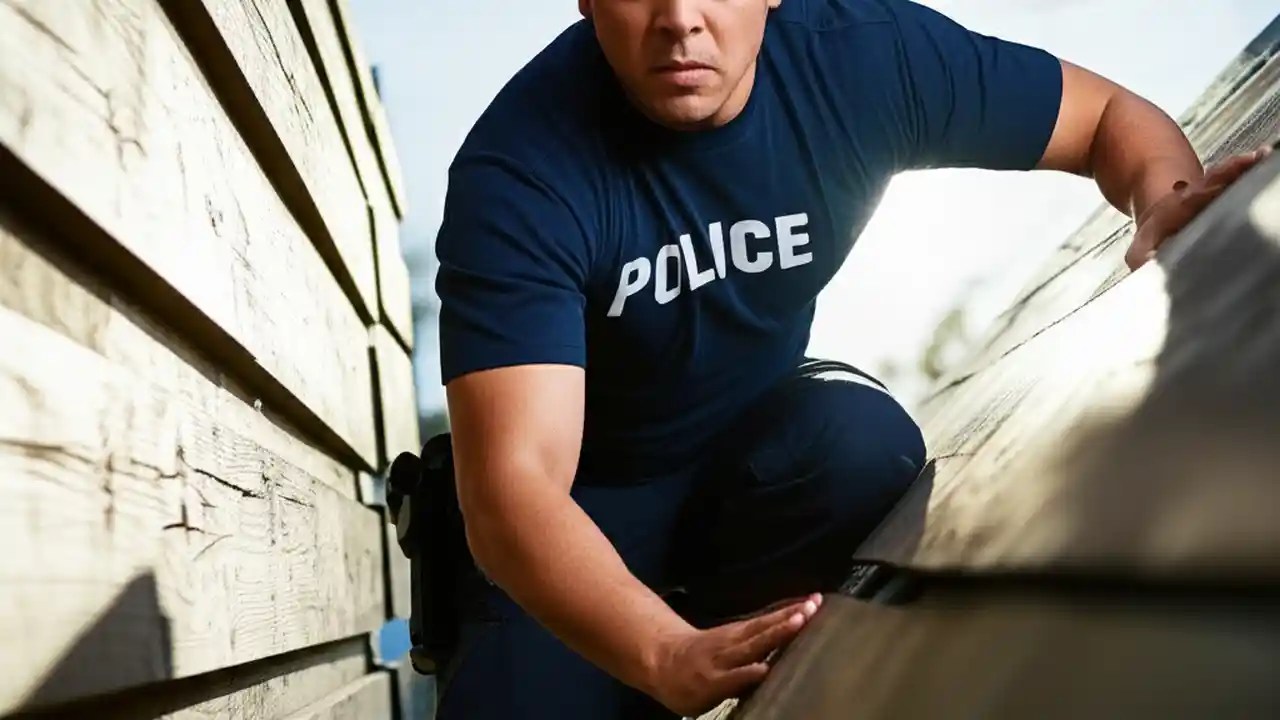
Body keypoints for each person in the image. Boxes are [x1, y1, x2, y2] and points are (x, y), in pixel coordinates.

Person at [428, 1, 1271, 717]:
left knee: (863, 441)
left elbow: (1107, 117)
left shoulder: (857, 59)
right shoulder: (522, 171)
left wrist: (1164, 200)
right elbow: (513, 491)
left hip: (751, 474)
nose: (680, 20)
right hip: (581, 512)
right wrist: (659, 650)